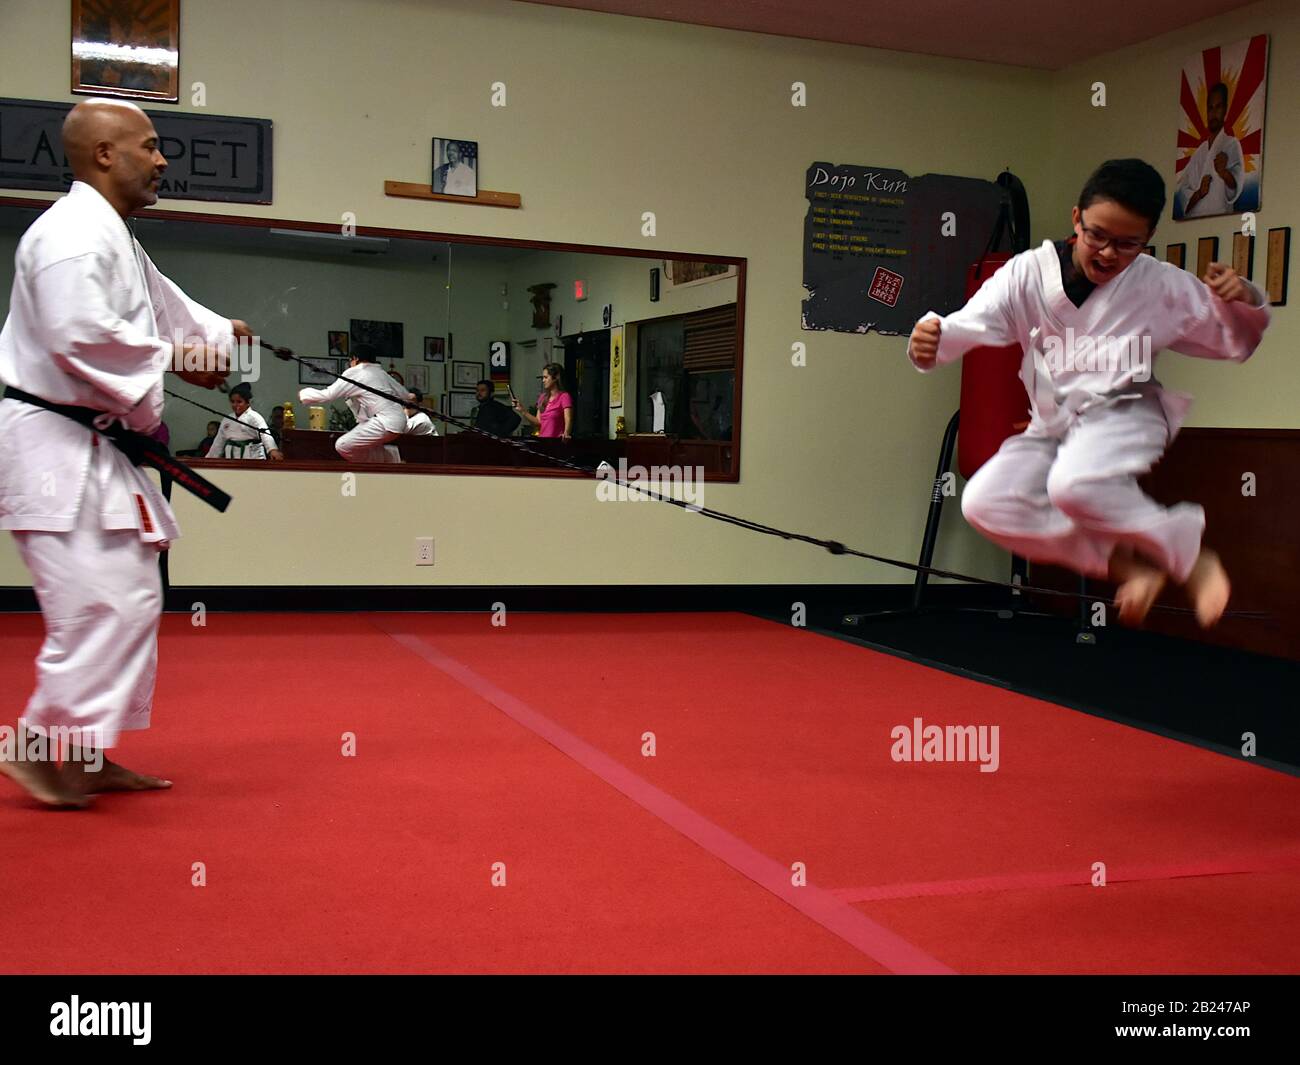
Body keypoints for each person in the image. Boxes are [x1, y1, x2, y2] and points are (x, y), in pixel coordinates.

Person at [0, 98, 247, 808]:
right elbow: (81, 337)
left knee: (129, 595)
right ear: (105, 154)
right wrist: (180, 355)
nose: (163, 158)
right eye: (150, 145)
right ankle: (36, 748)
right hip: (54, 448)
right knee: (97, 602)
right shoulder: (71, 236)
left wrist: (227, 341)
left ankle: (83, 748)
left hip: (91, 448)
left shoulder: (113, 236)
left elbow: (170, 311)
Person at [907, 158, 1269, 628]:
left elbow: (1232, 341)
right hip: (1053, 424)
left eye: (1127, 244)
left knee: (1071, 485)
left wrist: (1244, 299)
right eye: (1097, 234)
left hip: (1128, 411)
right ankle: (1129, 568)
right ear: (1076, 218)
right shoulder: (1027, 275)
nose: (1106, 253)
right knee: (984, 502)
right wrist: (931, 337)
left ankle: (1191, 555)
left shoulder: (1158, 285)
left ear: (1147, 239)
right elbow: (966, 324)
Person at [298, 342, 408, 462]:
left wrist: (304, 394)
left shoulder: (355, 372)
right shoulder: (382, 374)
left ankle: (391, 458)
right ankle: (390, 457)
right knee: (362, 445)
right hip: (400, 420)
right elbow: (405, 394)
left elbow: (328, 395)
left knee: (343, 446)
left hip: (385, 422)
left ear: (355, 359)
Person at [1177, 83, 1245, 218]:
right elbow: (1183, 188)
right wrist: (1199, 193)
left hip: (1220, 221)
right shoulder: (1200, 151)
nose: (1214, 113)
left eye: (1218, 107)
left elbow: (1236, 186)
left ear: (1225, 110)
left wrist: (1224, 173)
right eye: (1210, 108)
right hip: (1194, 224)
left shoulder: (1231, 144)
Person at [206, 382, 284, 460]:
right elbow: (218, 443)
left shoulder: (255, 417)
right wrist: (209, 458)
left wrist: (272, 450)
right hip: (232, 460)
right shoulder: (227, 419)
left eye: (239, 402)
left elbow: (266, 436)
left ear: (248, 402)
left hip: (253, 459)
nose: (236, 405)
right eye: (232, 402)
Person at [513, 363, 572, 440]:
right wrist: (522, 410)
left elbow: (568, 418)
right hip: (542, 442)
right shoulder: (543, 397)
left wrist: (566, 433)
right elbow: (538, 422)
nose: (543, 380)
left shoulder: (564, 396)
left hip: (556, 443)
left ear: (556, 377)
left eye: (546, 377)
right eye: (543, 378)